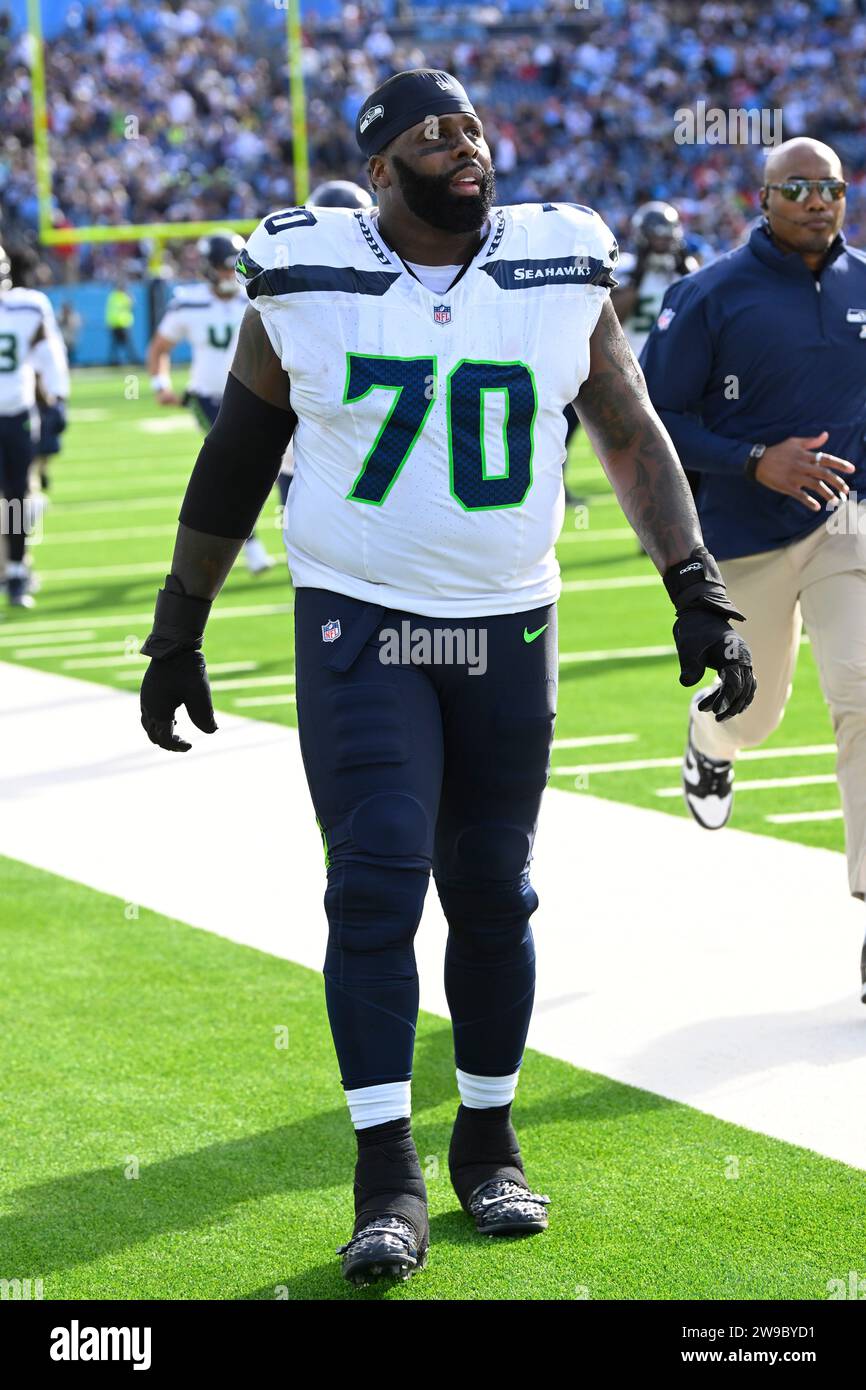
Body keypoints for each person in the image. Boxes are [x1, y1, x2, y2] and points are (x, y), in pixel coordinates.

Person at [138, 69, 754, 1285]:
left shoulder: (555, 261)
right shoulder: (302, 272)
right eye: (429, 133)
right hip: (358, 619)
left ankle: (487, 1138)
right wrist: (177, 620)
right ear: (376, 170)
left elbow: (627, 430)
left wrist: (694, 585)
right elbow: (241, 448)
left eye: (470, 126)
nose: (461, 145)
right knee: (372, 876)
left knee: (490, 883)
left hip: (504, 622)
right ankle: (384, 1177)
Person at [640, 136, 866, 998]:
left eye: (832, 187)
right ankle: (711, 740)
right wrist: (750, 459)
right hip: (743, 531)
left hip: (845, 525)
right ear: (762, 198)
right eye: (799, 187)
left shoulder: (861, 282)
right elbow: (653, 416)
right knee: (758, 713)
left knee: (861, 691)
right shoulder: (710, 294)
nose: (818, 200)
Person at [147, 232, 273, 576]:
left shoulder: (255, 295)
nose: (227, 275)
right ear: (206, 269)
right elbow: (160, 347)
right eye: (221, 268)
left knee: (272, 466)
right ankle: (252, 545)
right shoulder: (188, 302)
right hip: (208, 396)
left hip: (257, 394)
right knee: (237, 469)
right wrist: (161, 384)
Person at [0, 244, 64, 606]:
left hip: (18, 413)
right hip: (19, 410)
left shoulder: (29, 307)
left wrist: (56, 398)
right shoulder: (28, 306)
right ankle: (14, 570)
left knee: (16, 497)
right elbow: (49, 359)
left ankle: (16, 570)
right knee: (14, 498)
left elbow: (47, 356)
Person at [105, 282, 135, 365]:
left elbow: (131, 304)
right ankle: (114, 361)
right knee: (115, 345)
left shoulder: (117, 296)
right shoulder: (116, 296)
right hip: (116, 324)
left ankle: (131, 360)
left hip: (123, 324)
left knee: (127, 344)